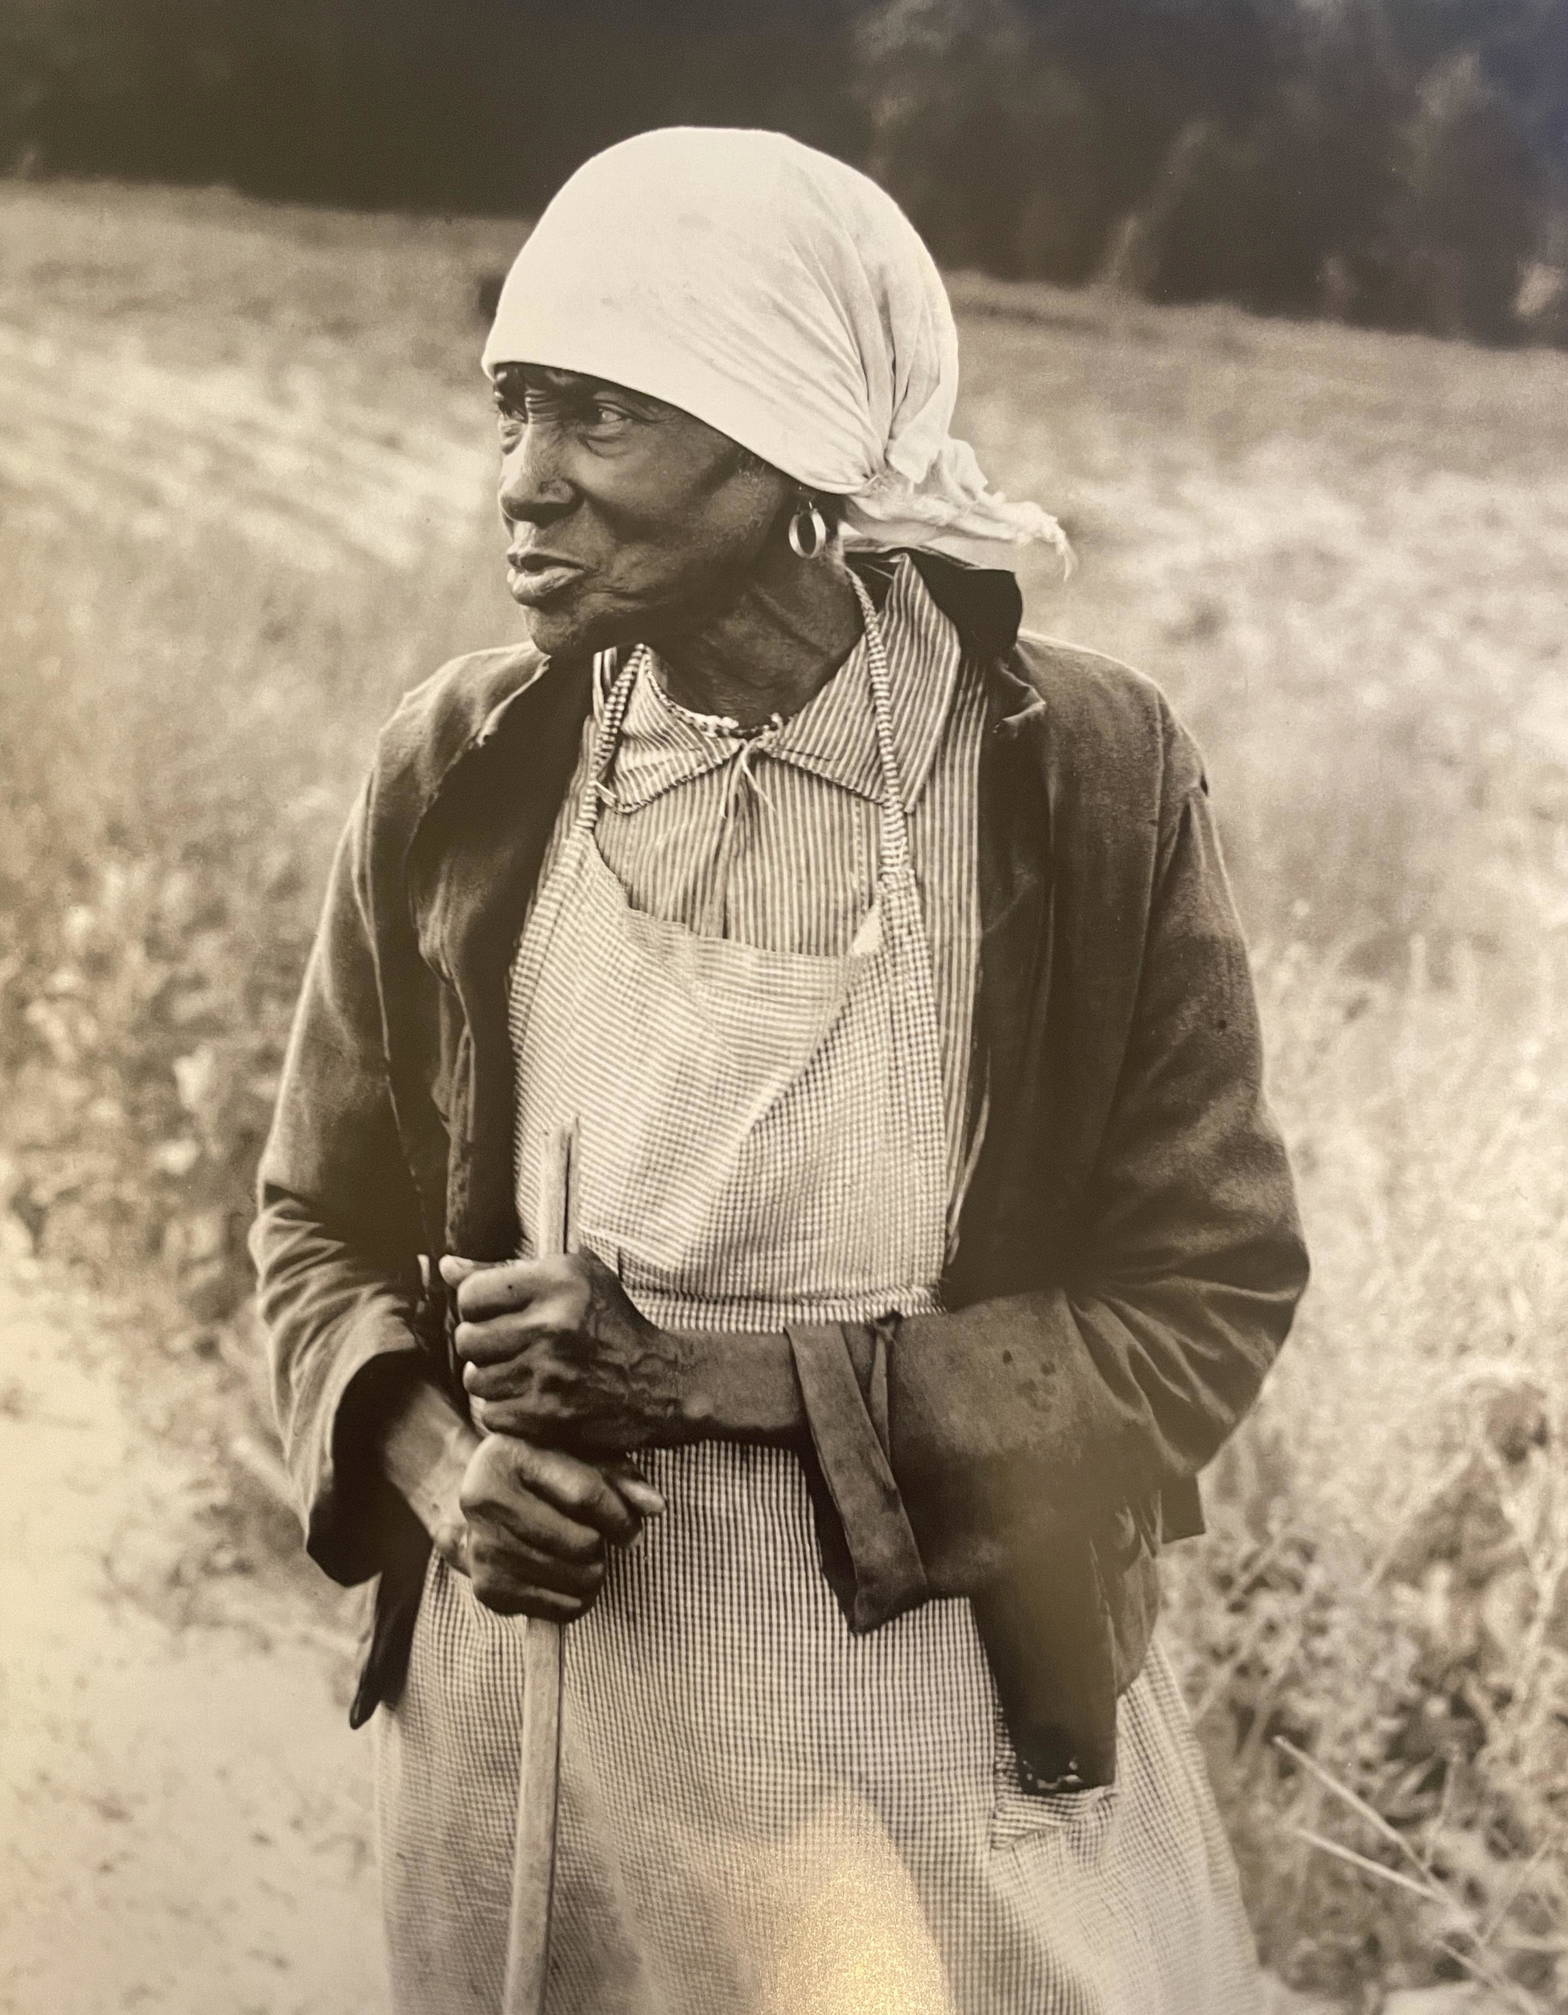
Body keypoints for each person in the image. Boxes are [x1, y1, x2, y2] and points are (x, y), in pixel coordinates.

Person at [252, 126, 1308, 2015]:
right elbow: (317, 1226)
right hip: (538, 1760)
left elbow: (1202, 1311)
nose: (526, 487)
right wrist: (437, 1468)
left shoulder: (1073, 783)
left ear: (792, 446)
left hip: (942, 1777)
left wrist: (702, 1379)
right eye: (512, 410)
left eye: (600, 421)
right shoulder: (464, 768)